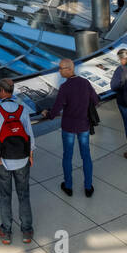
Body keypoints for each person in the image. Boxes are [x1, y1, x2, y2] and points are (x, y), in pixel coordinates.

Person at [0, 78, 34, 245]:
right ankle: (27, 230)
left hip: (4, 160)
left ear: (0, 90)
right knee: (24, 194)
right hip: (22, 158)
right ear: (11, 91)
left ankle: (6, 232)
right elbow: (29, 133)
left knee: (5, 196)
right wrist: (30, 153)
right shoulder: (22, 109)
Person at [42, 59, 98, 196]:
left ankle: (68, 186)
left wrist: (47, 114)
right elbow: (96, 100)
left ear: (69, 69)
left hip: (68, 127)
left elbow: (55, 111)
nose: (59, 71)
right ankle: (88, 187)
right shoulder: (85, 83)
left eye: (61, 68)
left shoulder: (65, 88)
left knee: (68, 156)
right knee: (86, 156)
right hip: (83, 125)